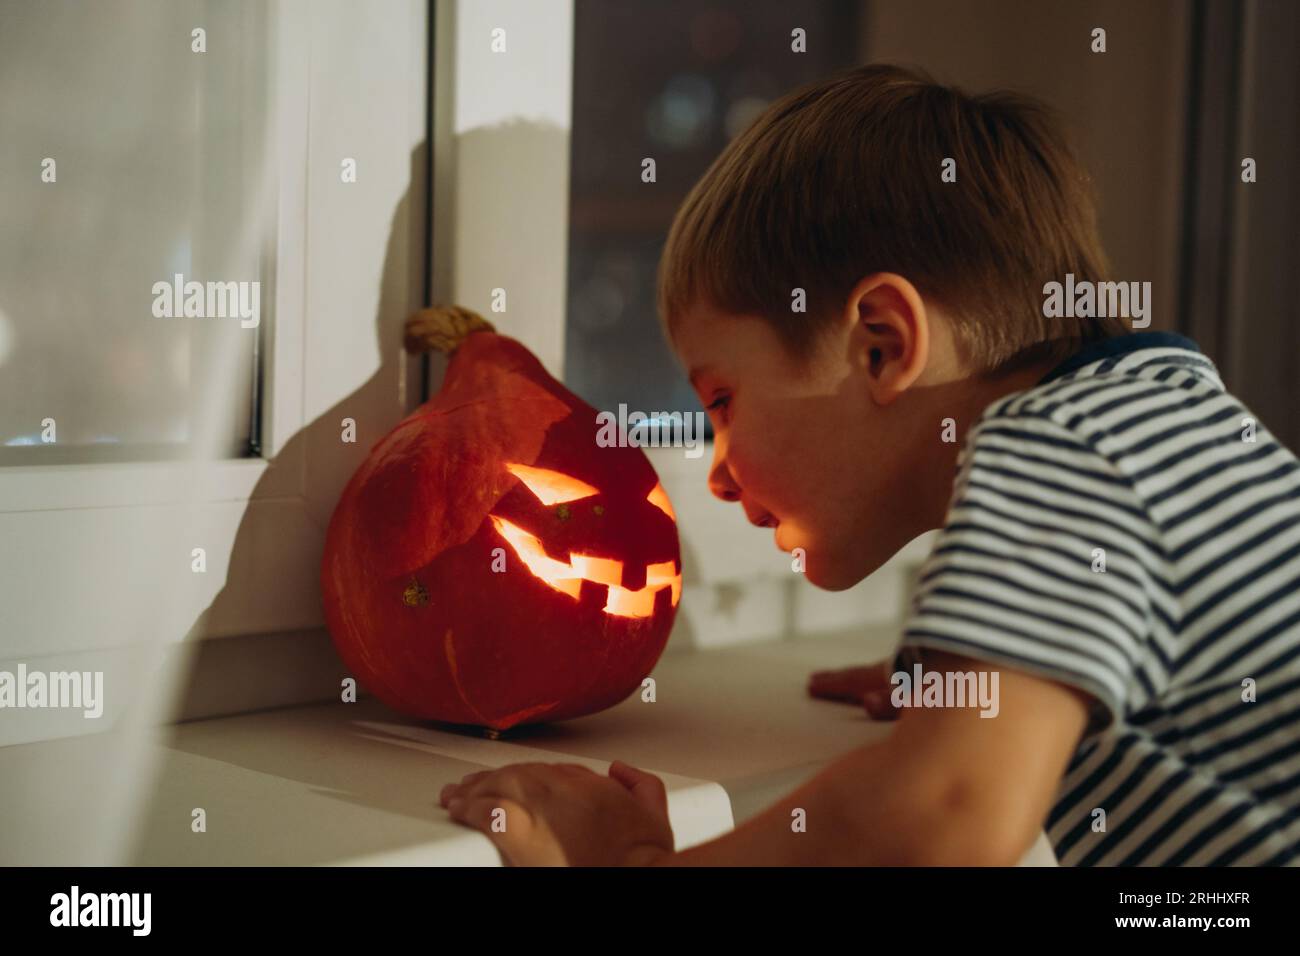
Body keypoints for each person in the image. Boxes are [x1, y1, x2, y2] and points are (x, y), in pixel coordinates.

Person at [439, 64, 1300, 866]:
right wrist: (968, 673)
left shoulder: (1062, 446)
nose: (716, 473)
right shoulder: (1161, 407)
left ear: (882, 346)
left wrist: (637, 865)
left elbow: (948, 813)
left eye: (723, 402)